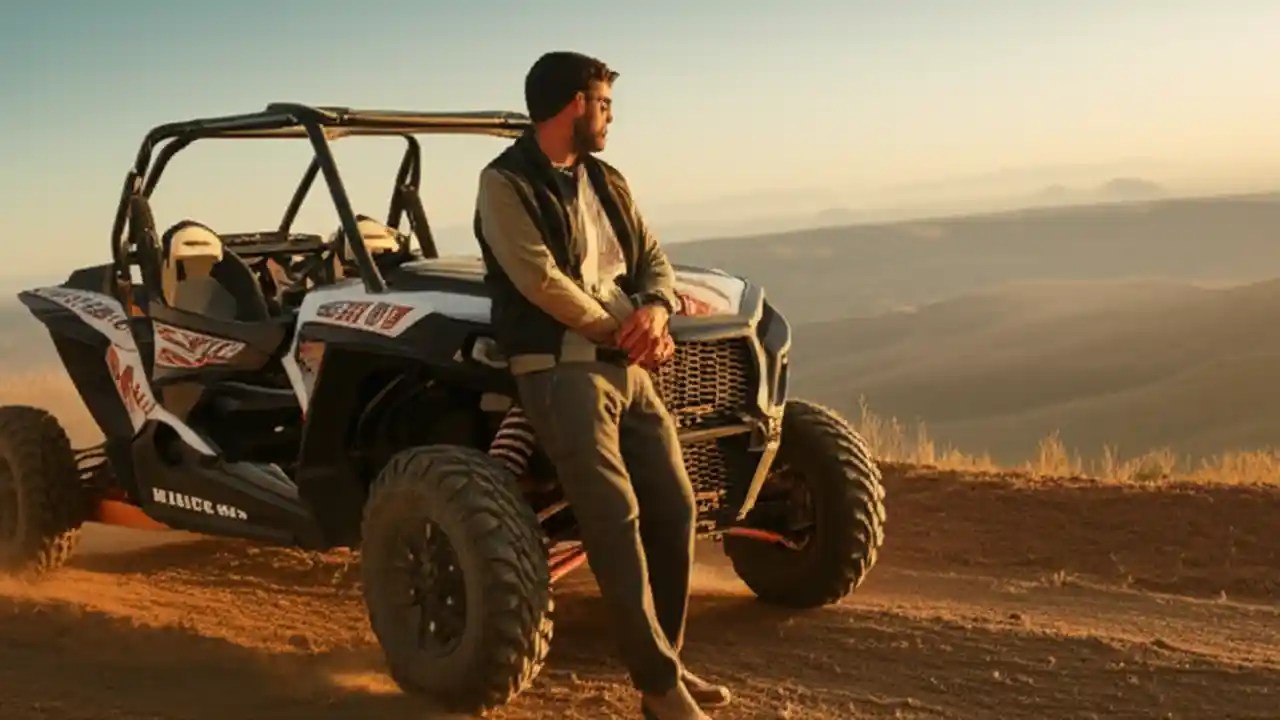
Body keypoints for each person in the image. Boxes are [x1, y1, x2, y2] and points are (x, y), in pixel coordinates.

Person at [473, 51, 730, 719]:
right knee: (615, 518)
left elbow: (652, 259)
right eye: (603, 103)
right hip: (560, 365)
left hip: (625, 360)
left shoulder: (607, 179)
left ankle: (665, 667)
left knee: (674, 506)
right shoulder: (503, 184)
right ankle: (655, 686)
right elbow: (539, 281)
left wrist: (656, 309)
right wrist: (624, 331)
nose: (611, 115)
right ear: (570, 106)